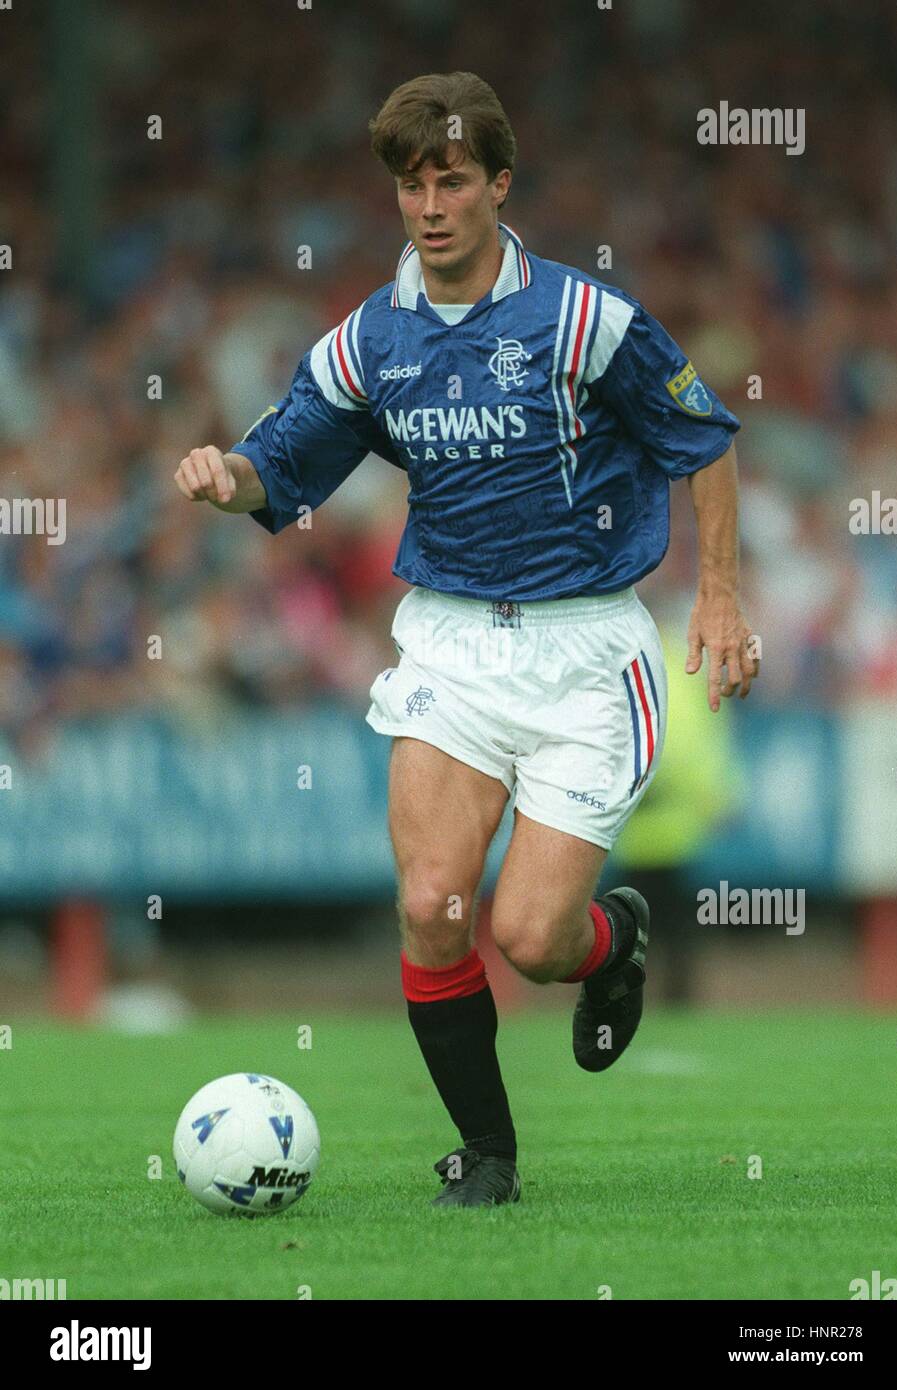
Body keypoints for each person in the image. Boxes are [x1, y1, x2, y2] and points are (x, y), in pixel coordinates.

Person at [174, 71, 758, 1208]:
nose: (430, 203)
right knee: (433, 906)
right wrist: (224, 475)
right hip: (449, 647)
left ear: (498, 185)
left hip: (588, 651)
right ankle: (488, 1159)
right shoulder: (368, 341)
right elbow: (282, 461)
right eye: (410, 183)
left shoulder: (585, 320)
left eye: (450, 180)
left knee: (531, 936)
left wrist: (722, 594)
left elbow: (704, 436)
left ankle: (609, 944)